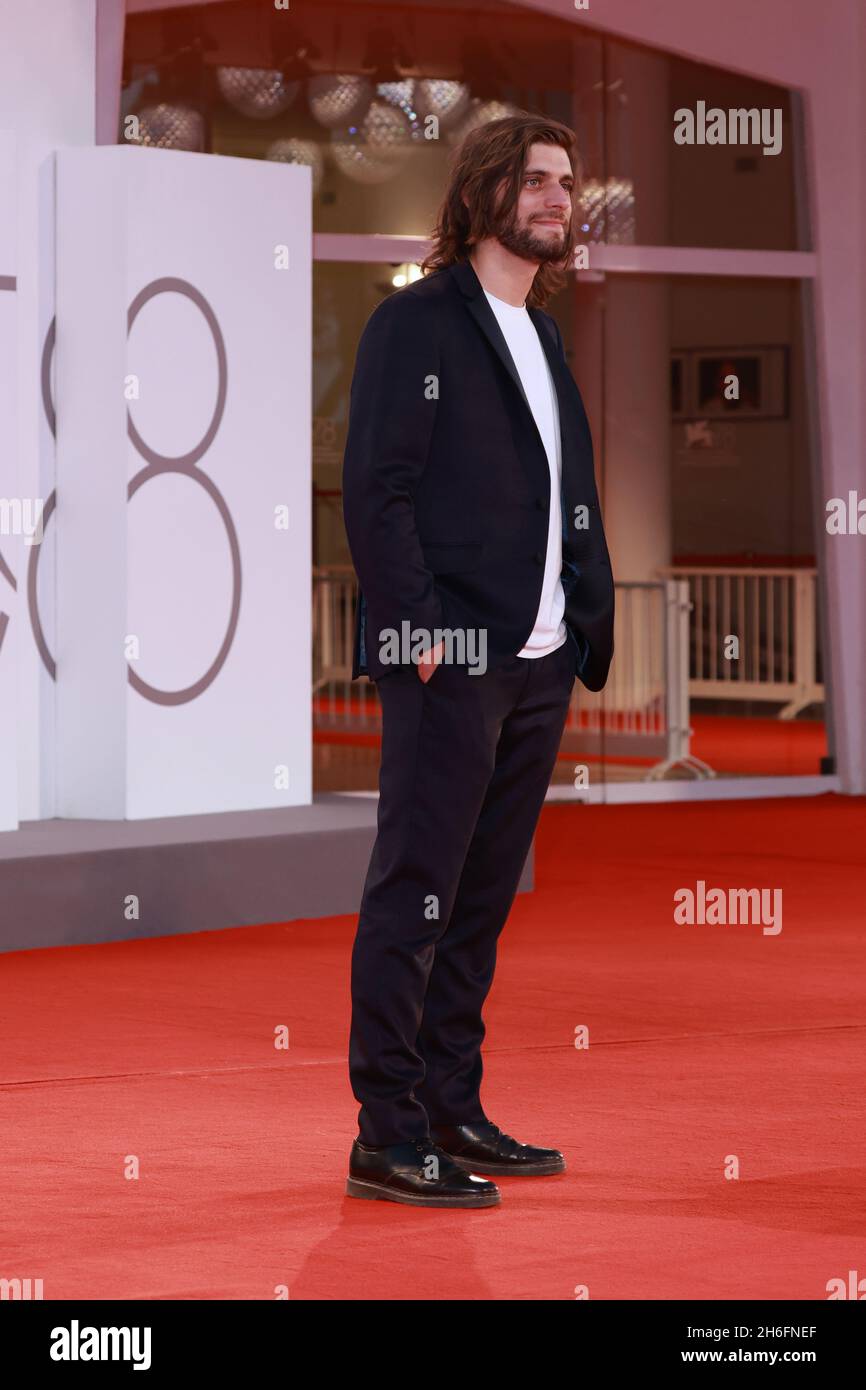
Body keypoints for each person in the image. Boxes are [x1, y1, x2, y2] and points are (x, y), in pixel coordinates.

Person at [341, 112, 615, 1207]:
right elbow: (378, 492)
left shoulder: (542, 335)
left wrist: (582, 620)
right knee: (413, 894)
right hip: (448, 658)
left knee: (480, 902)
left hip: (540, 658)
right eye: (536, 180)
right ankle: (386, 1130)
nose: (557, 198)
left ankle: (452, 1106)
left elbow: (563, 493)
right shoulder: (416, 325)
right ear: (483, 191)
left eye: (566, 183)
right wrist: (421, 641)